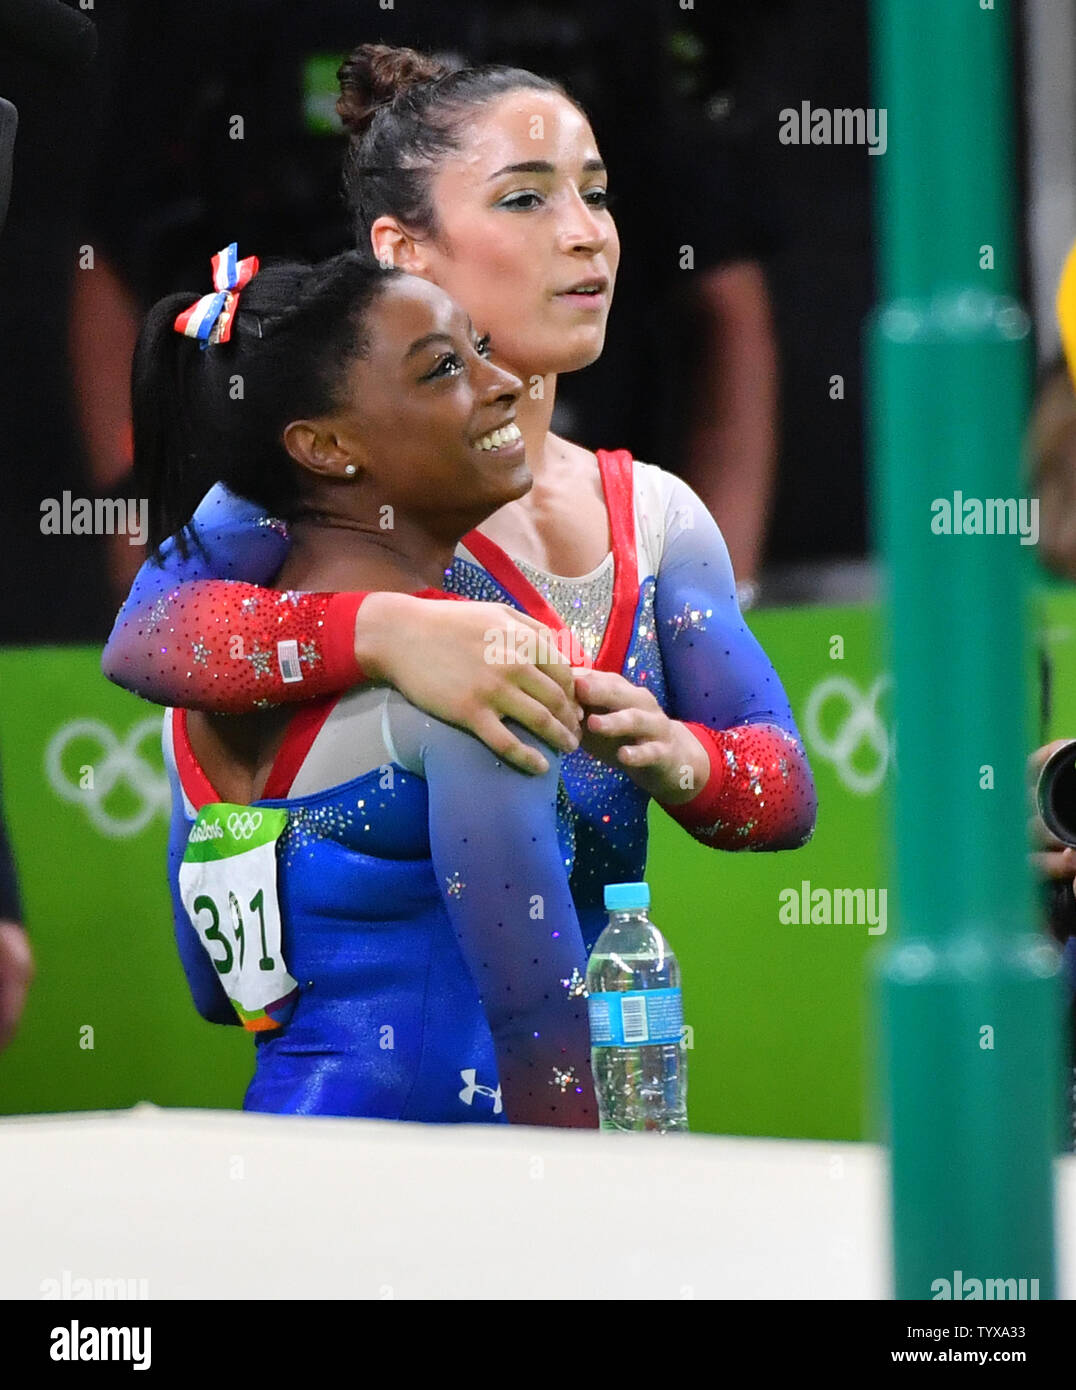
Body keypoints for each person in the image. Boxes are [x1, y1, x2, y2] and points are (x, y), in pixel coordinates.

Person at [104, 45, 818, 957]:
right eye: (526, 199)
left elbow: (784, 788)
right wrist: (386, 634)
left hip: (597, 1071)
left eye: (594, 194)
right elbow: (149, 637)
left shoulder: (657, 515)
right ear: (405, 253)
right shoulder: (341, 478)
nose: (585, 232)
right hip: (372, 1086)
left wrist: (684, 759)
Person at [139, 246, 603, 1125]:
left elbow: (217, 990)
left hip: (283, 1165)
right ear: (326, 447)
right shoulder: (469, 685)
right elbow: (539, 1023)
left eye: (480, 349)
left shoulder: (193, 697)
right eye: (443, 370)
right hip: (436, 1208)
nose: (503, 383)